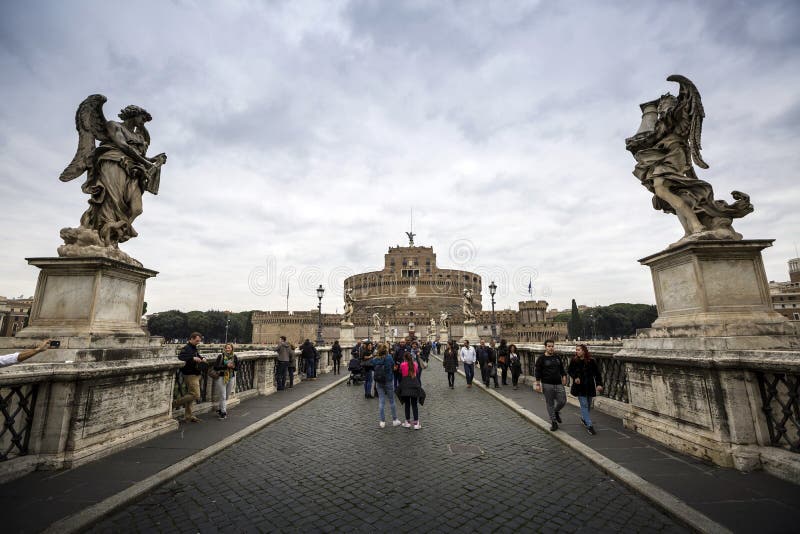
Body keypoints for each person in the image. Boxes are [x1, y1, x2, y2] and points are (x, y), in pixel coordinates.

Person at [568, 344, 604, 435]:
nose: (577, 351)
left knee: (588, 405)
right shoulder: (574, 360)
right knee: (584, 405)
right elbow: (570, 370)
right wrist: (575, 377)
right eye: (576, 350)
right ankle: (589, 425)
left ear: (584, 351)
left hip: (590, 386)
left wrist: (599, 384)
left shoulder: (592, 361)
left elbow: (597, 374)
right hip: (580, 387)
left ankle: (584, 418)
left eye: (579, 350)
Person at [534, 340, 567, 431]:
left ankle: (556, 412)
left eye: (552, 346)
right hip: (547, 384)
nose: (551, 348)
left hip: (558, 383)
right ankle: (553, 422)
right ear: (545, 347)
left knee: (562, 401)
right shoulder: (541, 358)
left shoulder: (557, 357)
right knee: (550, 403)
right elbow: (537, 371)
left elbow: (561, 369)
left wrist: (564, 376)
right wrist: (538, 384)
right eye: (549, 346)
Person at [174, 332, 205, 423]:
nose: (198, 342)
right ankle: (174, 404)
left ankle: (188, 416)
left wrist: (202, 358)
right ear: (191, 339)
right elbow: (181, 356)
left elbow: (197, 356)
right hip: (190, 375)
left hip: (195, 374)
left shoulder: (193, 348)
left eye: (199, 341)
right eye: (197, 341)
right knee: (195, 395)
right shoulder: (186, 348)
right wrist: (192, 358)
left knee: (191, 395)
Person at [372, 344, 401, 428]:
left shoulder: (375, 359)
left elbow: (373, 367)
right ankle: (395, 420)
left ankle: (382, 421)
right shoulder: (389, 358)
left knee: (381, 401)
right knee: (391, 400)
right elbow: (393, 367)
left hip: (379, 381)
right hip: (388, 380)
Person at [212, 343, 239, 420]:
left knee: (226, 396)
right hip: (221, 377)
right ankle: (223, 413)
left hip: (231, 377)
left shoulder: (234, 357)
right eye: (226, 348)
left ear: (232, 349)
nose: (228, 349)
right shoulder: (221, 356)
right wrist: (226, 366)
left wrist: (233, 367)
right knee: (223, 396)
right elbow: (216, 367)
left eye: (229, 348)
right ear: (224, 349)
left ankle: (220, 409)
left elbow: (237, 368)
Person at [398, 351, 422, 429]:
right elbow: (417, 372)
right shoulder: (415, 364)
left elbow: (401, 372)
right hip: (414, 385)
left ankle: (407, 422)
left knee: (407, 404)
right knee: (414, 405)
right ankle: (416, 423)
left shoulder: (402, 364)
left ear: (404, 358)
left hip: (405, 385)